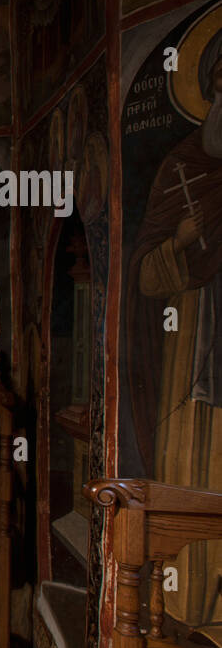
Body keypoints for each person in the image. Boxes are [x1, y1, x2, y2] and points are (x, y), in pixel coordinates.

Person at [126, 41, 222, 484]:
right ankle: (190, 549)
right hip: (197, 323)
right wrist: (178, 244)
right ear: (210, 91)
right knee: (196, 453)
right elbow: (144, 274)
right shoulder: (180, 165)